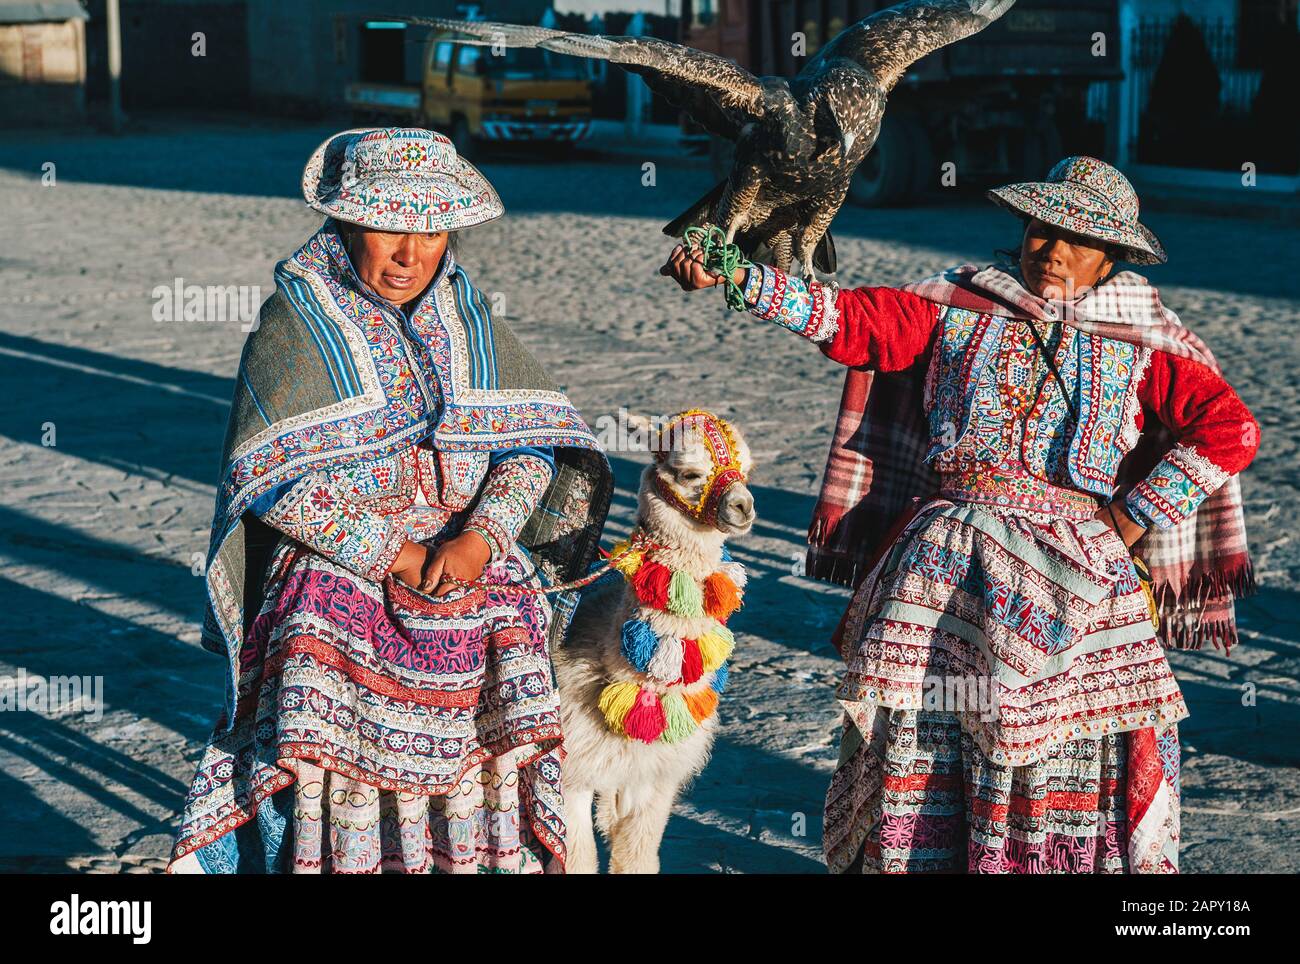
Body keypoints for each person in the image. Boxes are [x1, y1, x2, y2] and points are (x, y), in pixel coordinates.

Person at [661, 156, 1259, 873]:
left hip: (1082, 575)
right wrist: (740, 277)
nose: (1054, 250)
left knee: (1065, 740)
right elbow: (847, 319)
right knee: (927, 729)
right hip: (949, 564)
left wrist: (1133, 518)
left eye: (1079, 239)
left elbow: (1232, 430)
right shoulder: (955, 306)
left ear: (1113, 257)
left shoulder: (1145, 342)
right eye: (1043, 229)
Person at [168, 128, 611, 873]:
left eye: (432, 229)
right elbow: (275, 482)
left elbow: (532, 447)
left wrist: (483, 540)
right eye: (387, 228)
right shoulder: (294, 326)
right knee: (317, 644)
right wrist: (393, 553)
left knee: (514, 635)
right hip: (340, 564)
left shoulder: (472, 323)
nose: (411, 254)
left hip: (471, 559)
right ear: (344, 222)